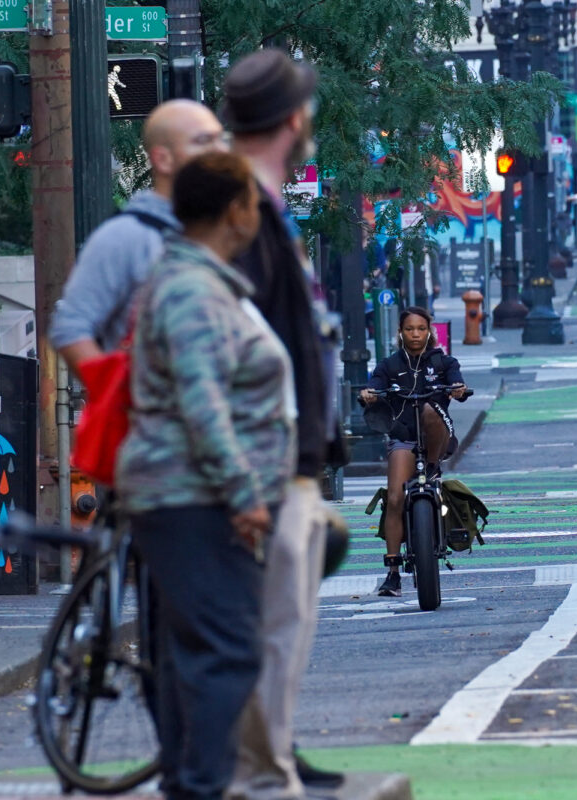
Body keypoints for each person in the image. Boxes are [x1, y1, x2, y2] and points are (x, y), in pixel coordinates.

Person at [115, 152, 294, 800]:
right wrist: (245, 494)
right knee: (227, 649)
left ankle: (190, 781)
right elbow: (202, 401)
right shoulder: (191, 289)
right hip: (193, 496)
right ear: (232, 211)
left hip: (188, 493)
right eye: (251, 200)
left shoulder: (198, 281)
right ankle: (199, 785)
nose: (256, 212)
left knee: (194, 651)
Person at [221, 48, 344, 799]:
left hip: (283, 454)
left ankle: (274, 764)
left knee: (282, 631)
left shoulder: (258, 204)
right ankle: (262, 777)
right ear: (294, 121)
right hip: (264, 459)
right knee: (272, 630)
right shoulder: (244, 211)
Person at [50, 100, 228, 377]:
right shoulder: (124, 238)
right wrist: (119, 397)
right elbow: (70, 329)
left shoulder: (233, 231)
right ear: (163, 159)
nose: (219, 152)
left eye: (220, 139)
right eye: (204, 141)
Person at [359, 307, 467, 597]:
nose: (416, 334)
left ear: (429, 330)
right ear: (400, 332)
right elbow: (374, 385)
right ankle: (393, 572)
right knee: (394, 497)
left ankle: (431, 468)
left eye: (421, 328)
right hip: (404, 437)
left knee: (431, 409)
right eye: (410, 329)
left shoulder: (443, 361)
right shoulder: (389, 365)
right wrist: (369, 394)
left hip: (437, 435)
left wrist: (457, 388)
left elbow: (457, 381)